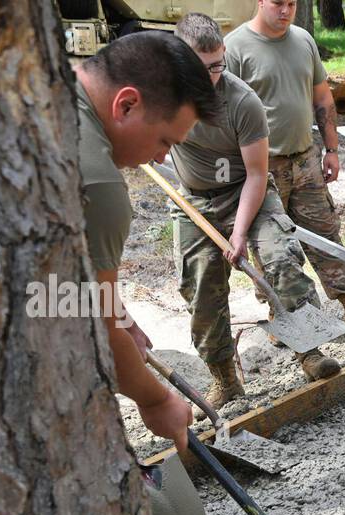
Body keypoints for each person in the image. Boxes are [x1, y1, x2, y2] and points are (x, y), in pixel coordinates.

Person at [170, 12, 336, 407]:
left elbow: (258, 175)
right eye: (202, 68)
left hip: (248, 191)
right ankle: (225, 377)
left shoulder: (242, 101)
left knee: (281, 259)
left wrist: (240, 232)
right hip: (194, 200)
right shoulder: (162, 94)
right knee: (200, 290)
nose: (213, 76)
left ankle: (310, 351)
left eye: (218, 65)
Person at [225, 0, 345, 370]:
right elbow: (225, 112)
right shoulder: (235, 47)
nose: (285, 11)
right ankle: (284, 317)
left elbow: (321, 98)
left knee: (327, 237)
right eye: (277, 3)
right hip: (261, 170)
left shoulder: (303, 40)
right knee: (275, 251)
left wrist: (332, 148)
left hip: (306, 160)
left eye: (291, 3)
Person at [73, 31, 222, 449]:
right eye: (164, 142)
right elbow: (93, 324)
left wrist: (121, 319)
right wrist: (156, 400)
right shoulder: (98, 185)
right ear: (127, 104)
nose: (160, 159)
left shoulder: (50, 85)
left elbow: (87, 292)